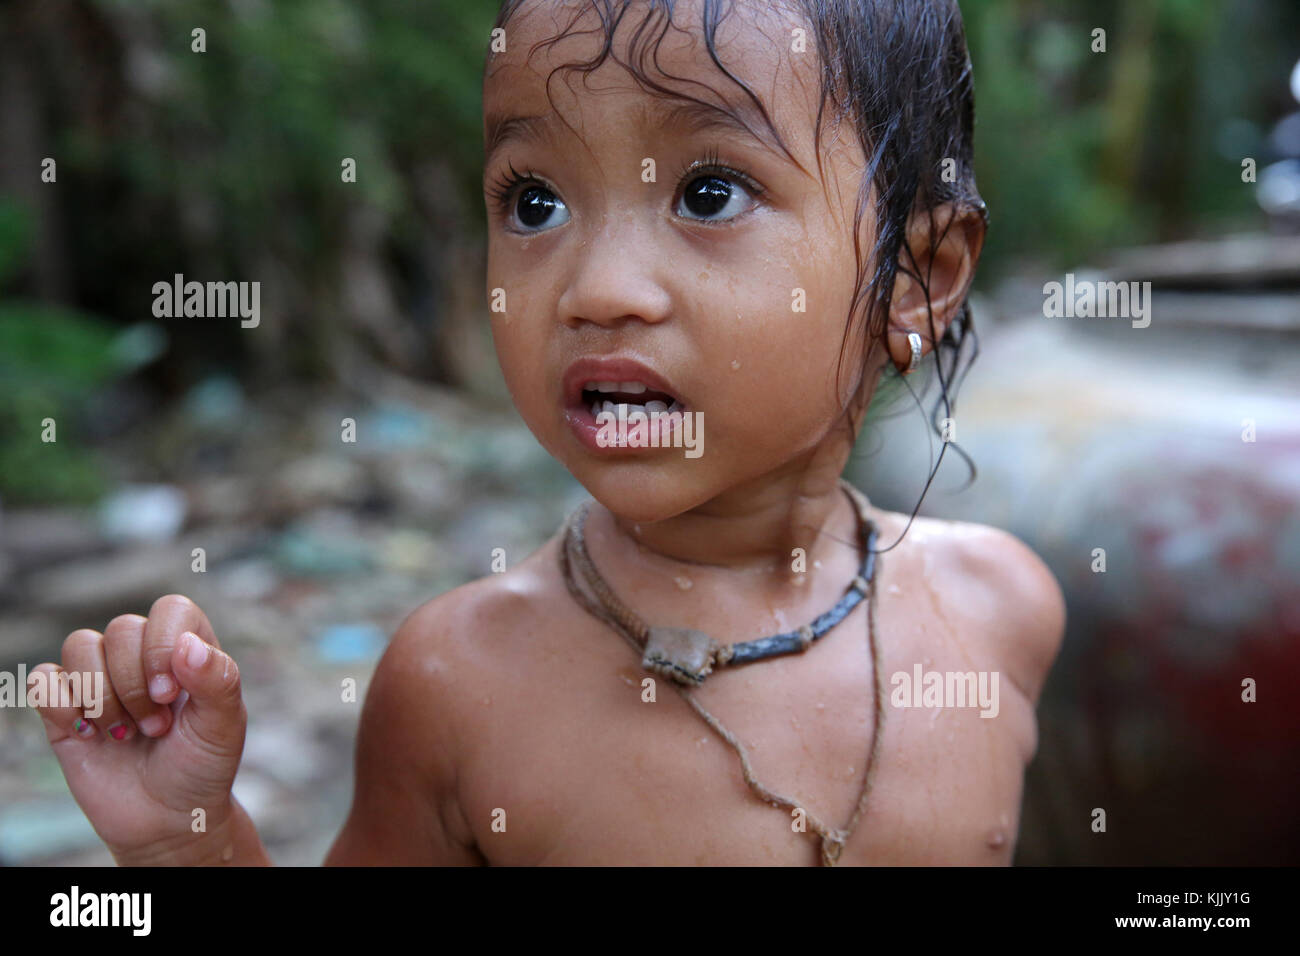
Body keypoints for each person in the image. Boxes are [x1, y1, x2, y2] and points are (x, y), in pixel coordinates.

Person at [30, 0, 1064, 866]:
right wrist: (190, 842)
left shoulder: (998, 614)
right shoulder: (458, 683)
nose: (596, 289)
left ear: (917, 279)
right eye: (533, 203)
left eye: (709, 192)